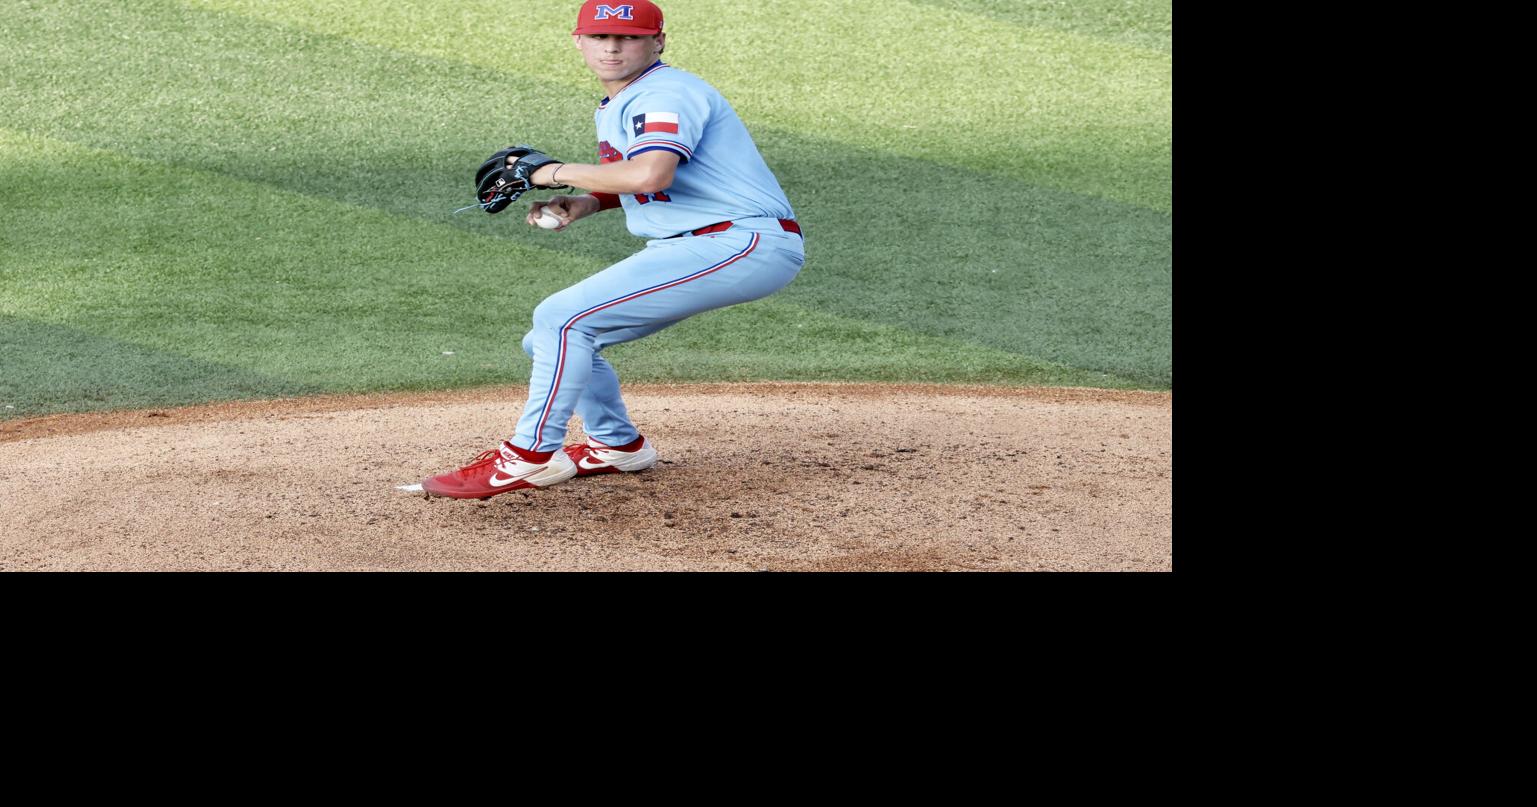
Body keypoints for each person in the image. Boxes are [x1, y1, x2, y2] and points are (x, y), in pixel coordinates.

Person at [420, 0, 805, 499]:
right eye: (600, 37)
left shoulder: (666, 94)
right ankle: (617, 445)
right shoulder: (627, 100)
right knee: (548, 339)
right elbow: (647, 181)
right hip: (708, 240)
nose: (613, 46)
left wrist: (548, 171)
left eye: (629, 37)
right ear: (579, 42)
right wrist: (586, 202)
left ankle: (529, 456)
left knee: (563, 318)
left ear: (657, 42)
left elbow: (650, 173)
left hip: (740, 241)